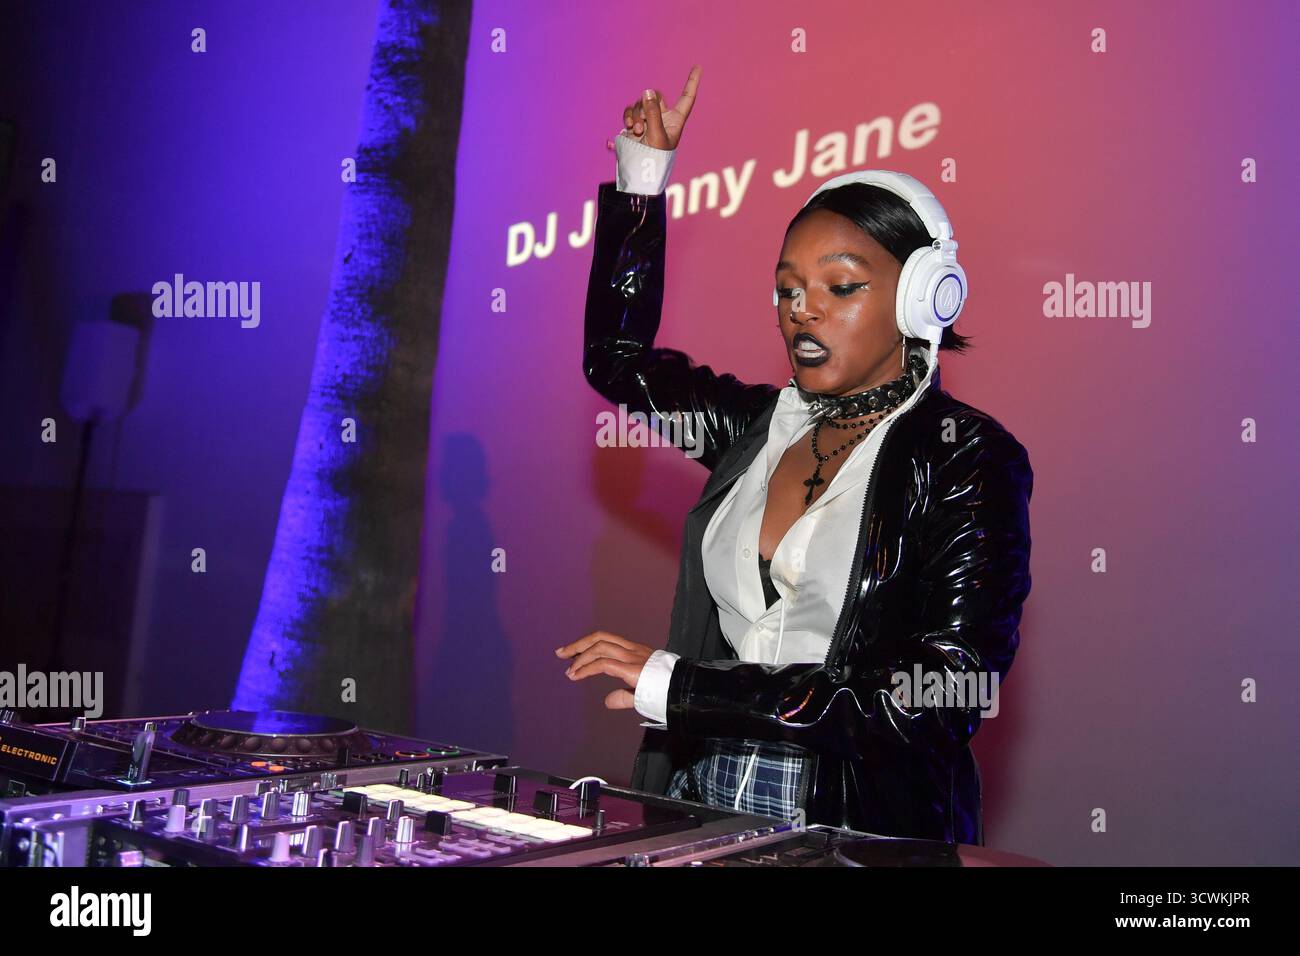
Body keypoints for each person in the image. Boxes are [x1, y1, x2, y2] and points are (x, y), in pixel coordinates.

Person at [557, 66, 1033, 843]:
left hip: (856, 831)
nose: (802, 309)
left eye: (840, 287)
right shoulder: (755, 429)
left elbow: (942, 693)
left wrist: (686, 689)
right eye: (787, 290)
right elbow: (614, 357)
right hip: (700, 805)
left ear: (923, 299)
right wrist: (642, 182)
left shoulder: (968, 461)